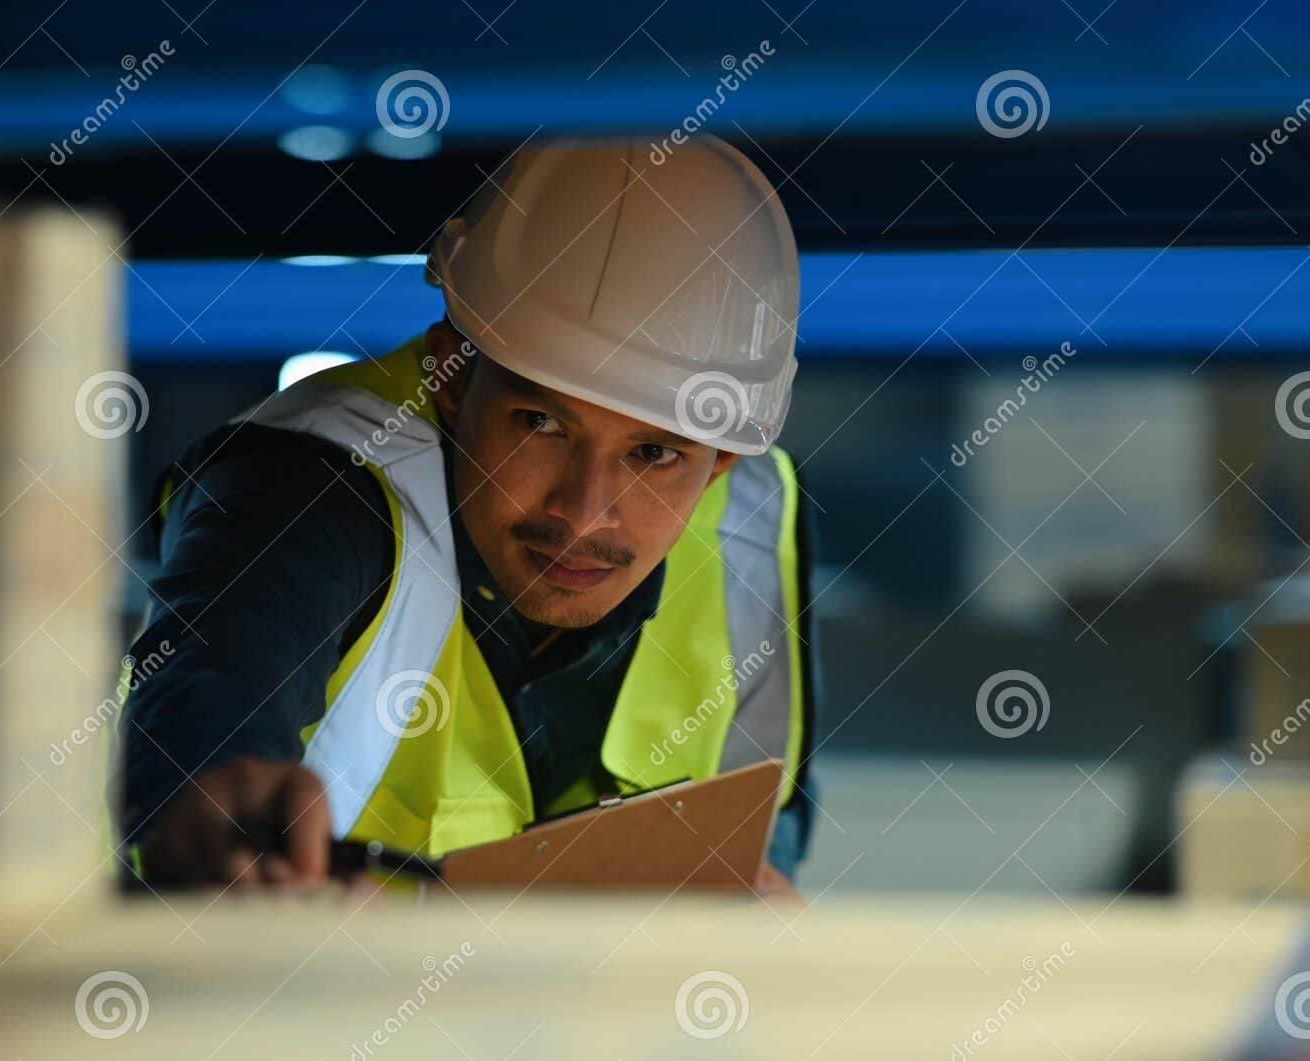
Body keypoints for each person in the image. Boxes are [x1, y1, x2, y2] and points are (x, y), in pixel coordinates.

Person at [116, 135, 819, 894]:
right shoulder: (310, 484)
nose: (584, 515)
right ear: (451, 377)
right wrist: (214, 792)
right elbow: (222, 671)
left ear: (722, 461)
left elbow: (759, 834)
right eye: (540, 424)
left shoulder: (751, 521)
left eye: (653, 454)